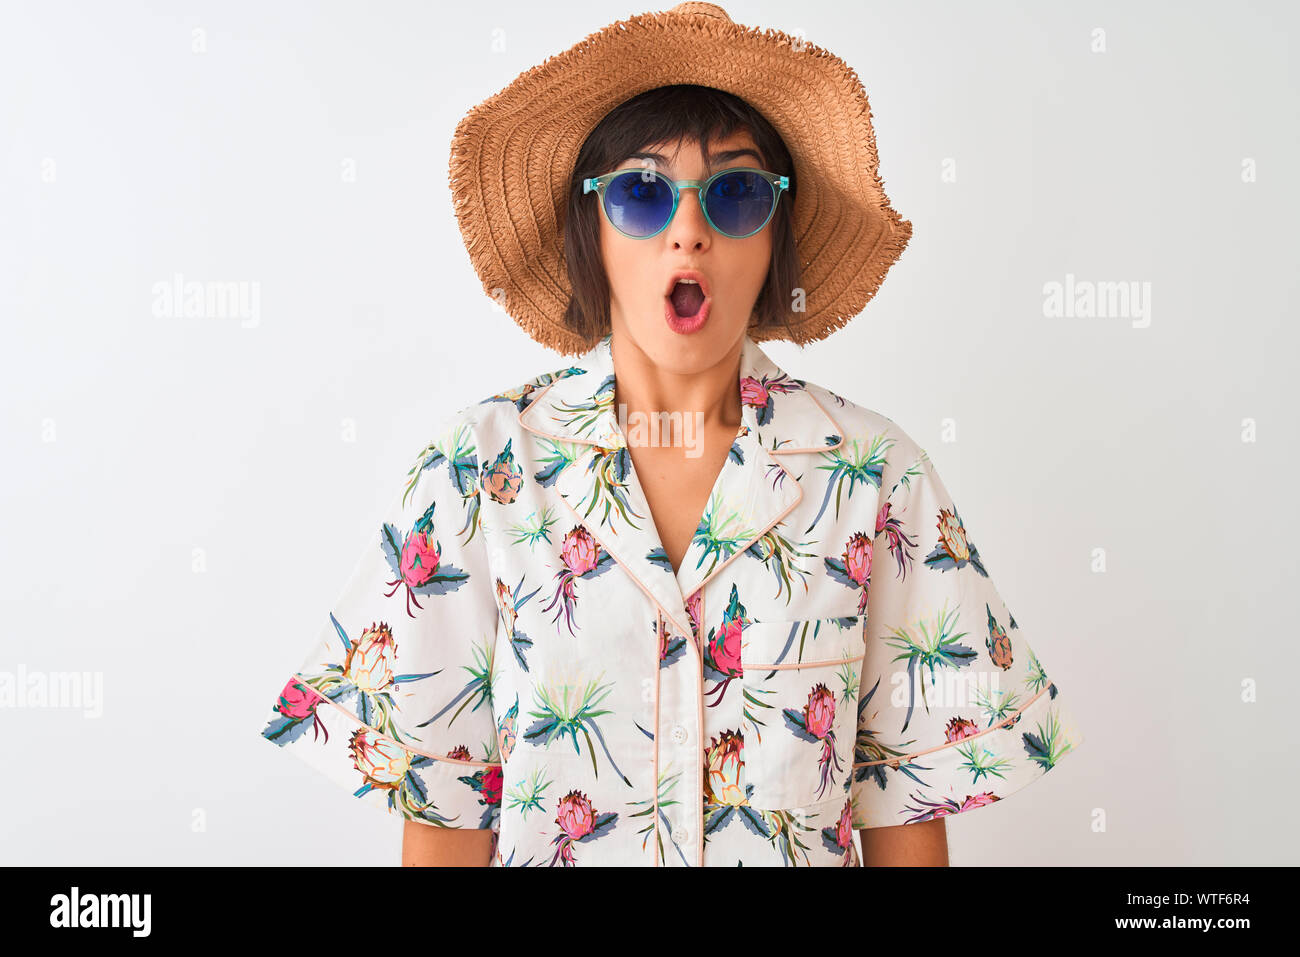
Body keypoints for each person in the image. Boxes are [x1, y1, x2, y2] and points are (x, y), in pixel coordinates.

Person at [258, 2, 1084, 867]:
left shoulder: (876, 478)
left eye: (734, 192)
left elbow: (908, 819)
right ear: (592, 232)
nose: (688, 229)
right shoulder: (477, 474)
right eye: (643, 192)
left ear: (775, 236)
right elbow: (444, 819)